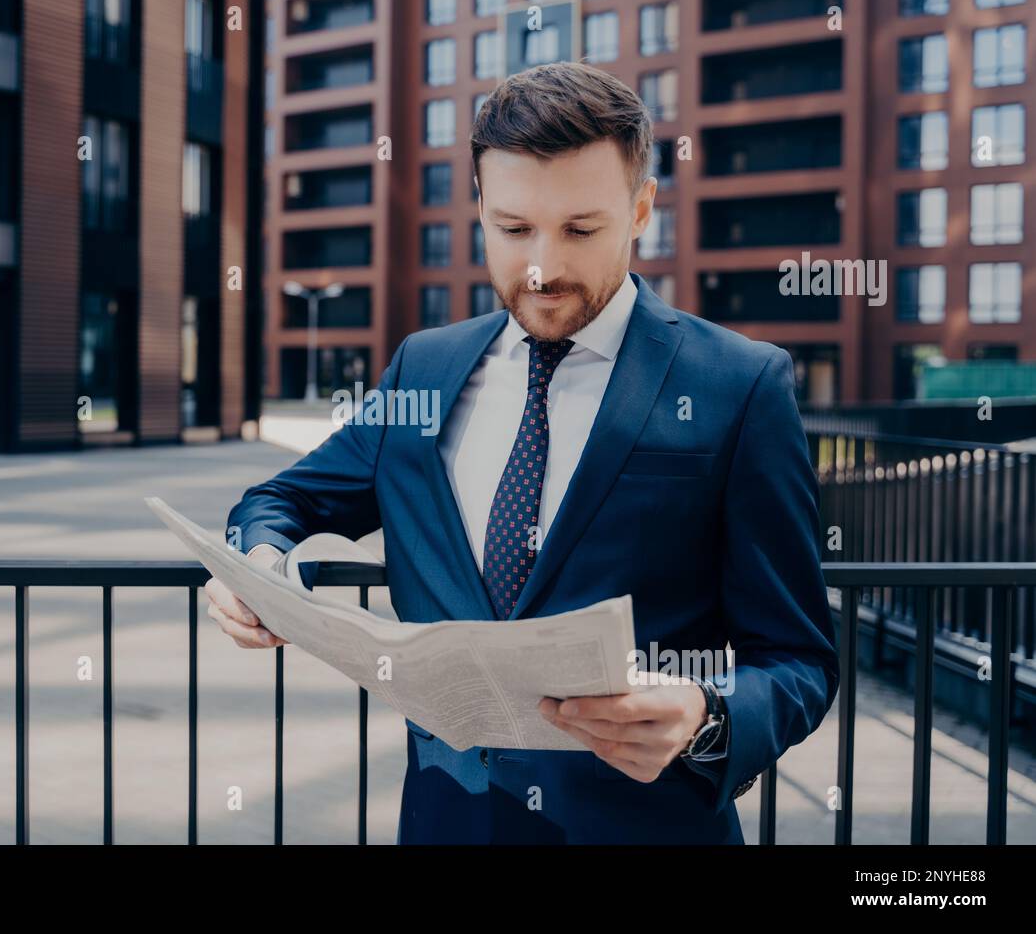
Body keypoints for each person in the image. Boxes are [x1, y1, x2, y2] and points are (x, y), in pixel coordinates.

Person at [207, 61, 839, 844]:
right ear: (478, 210)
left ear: (641, 208)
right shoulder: (424, 370)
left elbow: (799, 661)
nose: (543, 265)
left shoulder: (740, 385)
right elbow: (279, 502)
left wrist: (707, 717)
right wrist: (258, 570)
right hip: (447, 825)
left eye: (580, 229)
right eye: (514, 230)